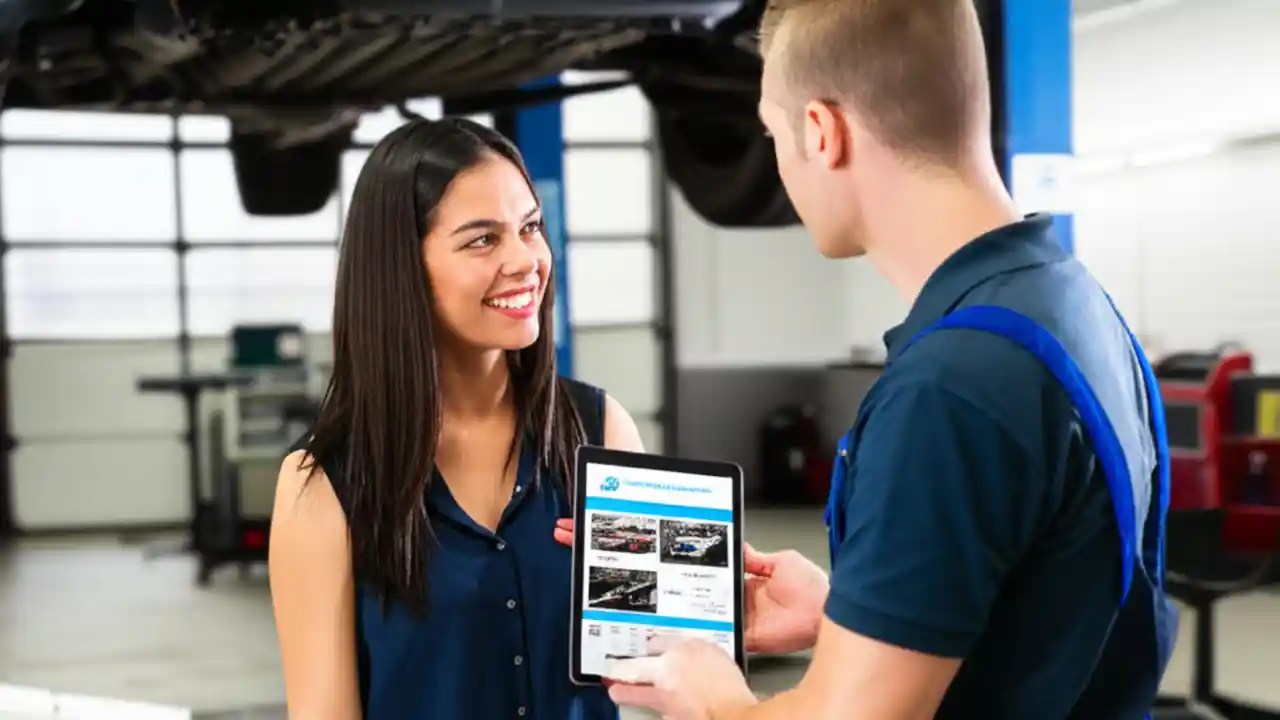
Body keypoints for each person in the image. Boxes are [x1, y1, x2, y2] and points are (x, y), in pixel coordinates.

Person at [604, 1, 1177, 718]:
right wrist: (855, 617)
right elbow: (1049, 604)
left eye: (772, 133)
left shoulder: (952, 382)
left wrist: (714, 700)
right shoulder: (1075, 307)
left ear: (821, 131)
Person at [268, 117, 645, 719]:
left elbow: (668, 663)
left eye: (530, 228)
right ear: (403, 268)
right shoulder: (325, 485)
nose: (526, 260)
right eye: (482, 240)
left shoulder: (600, 433)